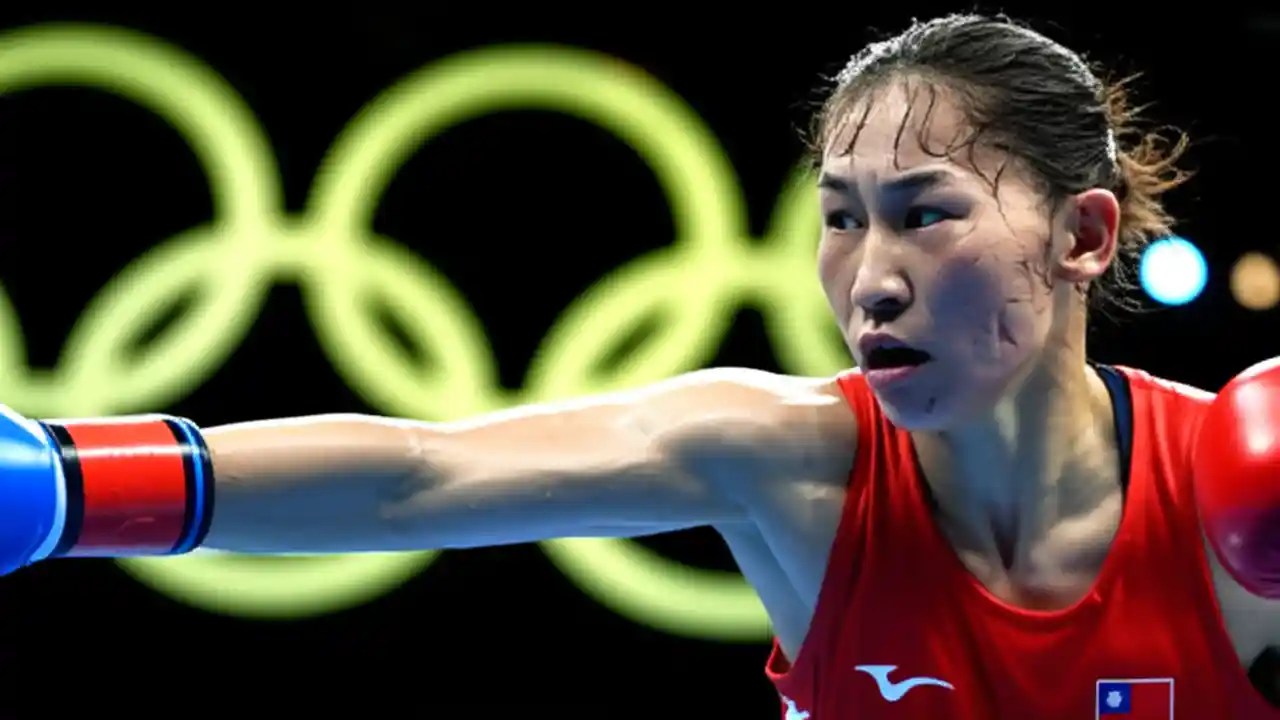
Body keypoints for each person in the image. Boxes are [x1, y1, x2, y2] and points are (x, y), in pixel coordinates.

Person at [2, 12, 1280, 718]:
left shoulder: (1239, 499)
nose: (867, 275)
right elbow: (419, 476)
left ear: (1080, 233)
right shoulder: (787, 465)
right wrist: (59, 486)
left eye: (925, 211)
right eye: (840, 215)